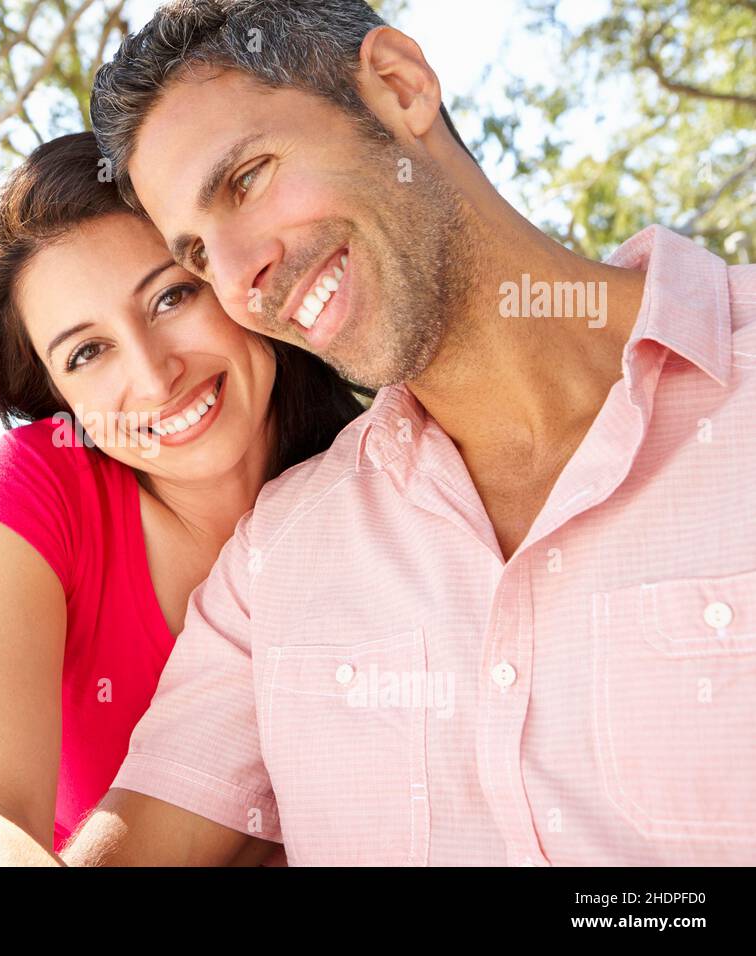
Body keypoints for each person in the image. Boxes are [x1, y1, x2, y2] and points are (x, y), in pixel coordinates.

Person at [62, 0, 756, 866]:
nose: (241, 280)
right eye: (198, 256)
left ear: (399, 86)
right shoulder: (274, 559)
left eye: (247, 179)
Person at [0, 132, 365, 864]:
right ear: (55, 394)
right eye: (87, 353)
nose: (156, 378)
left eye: (170, 296)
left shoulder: (387, 479)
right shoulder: (40, 485)